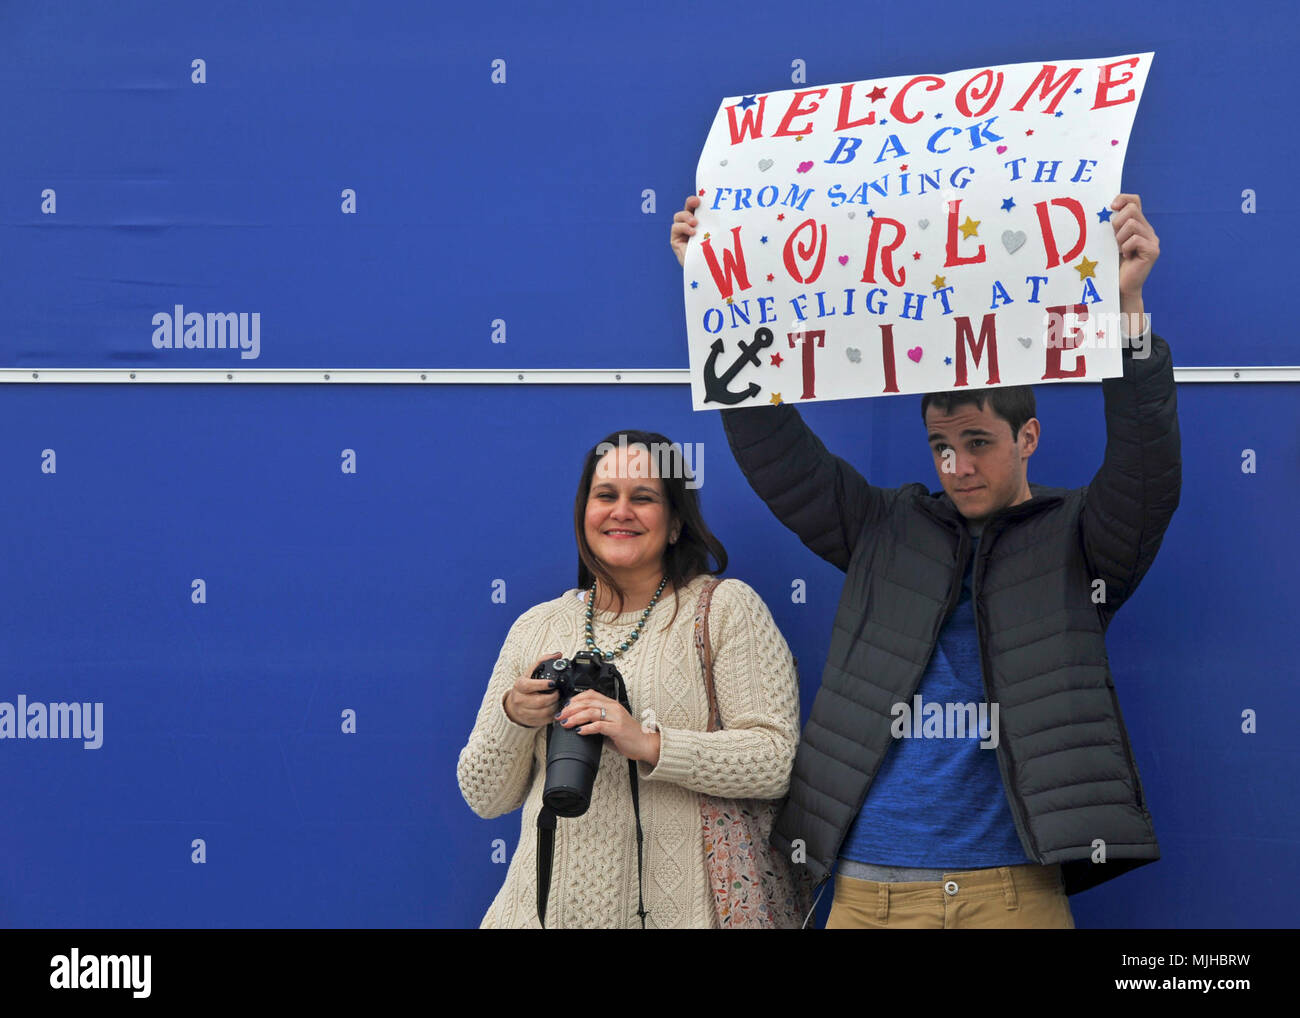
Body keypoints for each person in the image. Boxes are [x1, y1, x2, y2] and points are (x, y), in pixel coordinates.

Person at [671, 192, 1180, 928]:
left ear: (1027, 437)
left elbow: (1146, 468)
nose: (957, 465)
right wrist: (711, 293)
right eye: (941, 447)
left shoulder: (1078, 539)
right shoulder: (884, 527)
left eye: (978, 442)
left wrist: (1127, 309)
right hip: (868, 892)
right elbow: (777, 452)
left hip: (1012, 893)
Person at [457, 430, 801, 928]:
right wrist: (516, 718)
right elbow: (484, 797)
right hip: (540, 914)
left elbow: (775, 761)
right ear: (583, 514)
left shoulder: (726, 609)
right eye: (605, 496)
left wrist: (648, 743)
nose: (621, 511)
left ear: (677, 523)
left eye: (643, 498)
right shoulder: (537, 627)